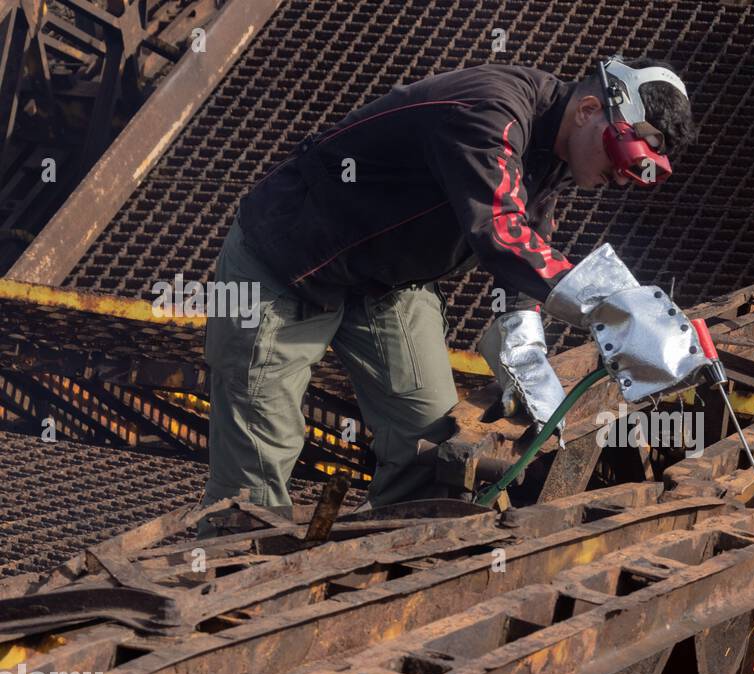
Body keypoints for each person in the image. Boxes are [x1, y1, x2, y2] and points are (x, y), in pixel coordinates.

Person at [203, 56, 695, 509]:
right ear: (590, 109)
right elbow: (500, 231)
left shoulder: (559, 144)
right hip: (289, 263)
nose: (623, 179)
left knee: (431, 442)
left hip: (386, 281)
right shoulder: (489, 111)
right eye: (621, 158)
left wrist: (523, 342)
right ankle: (233, 589)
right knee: (258, 466)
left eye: (639, 172)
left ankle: (386, 568)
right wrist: (614, 309)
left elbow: (533, 225)